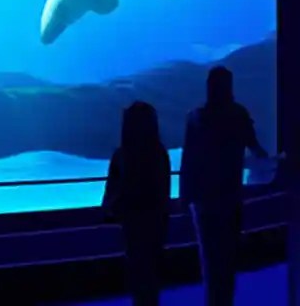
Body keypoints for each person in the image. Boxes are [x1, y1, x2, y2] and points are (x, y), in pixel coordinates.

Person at [180, 66, 269, 306]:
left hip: (205, 202)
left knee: (210, 261)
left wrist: (184, 197)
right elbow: (257, 150)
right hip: (229, 199)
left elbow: (188, 161)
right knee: (227, 260)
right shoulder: (238, 115)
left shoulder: (196, 117)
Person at [102, 101, 171, 306]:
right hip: (154, 224)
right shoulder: (159, 153)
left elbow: (112, 191)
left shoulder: (122, 155)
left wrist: (108, 212)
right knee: (150, 279)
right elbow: (163, 191)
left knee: (139, 278)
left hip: (132, 225)